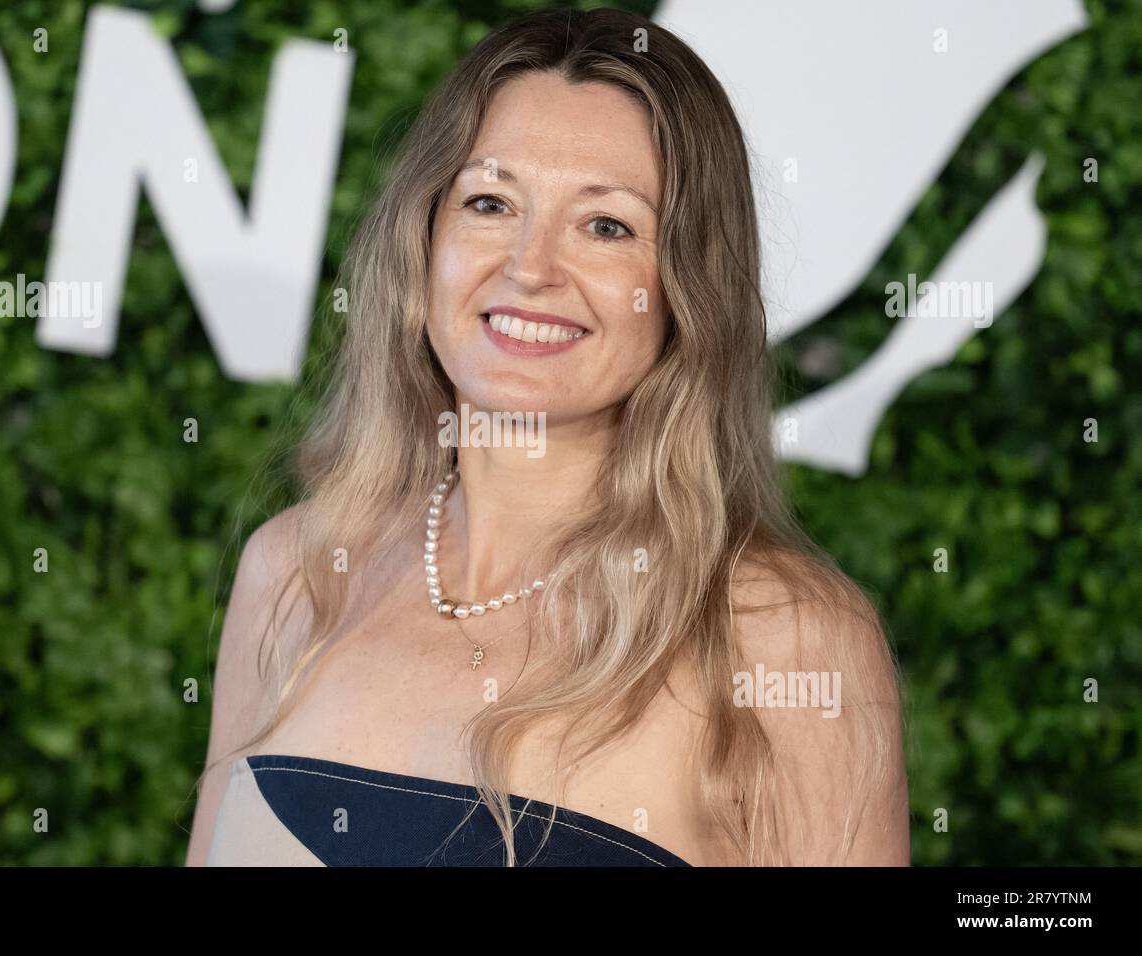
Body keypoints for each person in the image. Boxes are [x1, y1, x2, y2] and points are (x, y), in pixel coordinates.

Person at [185, 6, 909, 866]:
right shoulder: (294, 575)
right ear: (424, 242)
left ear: (686, 290)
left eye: (606, 225)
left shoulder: (783, 640)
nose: (530, 268)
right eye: (490, 202)